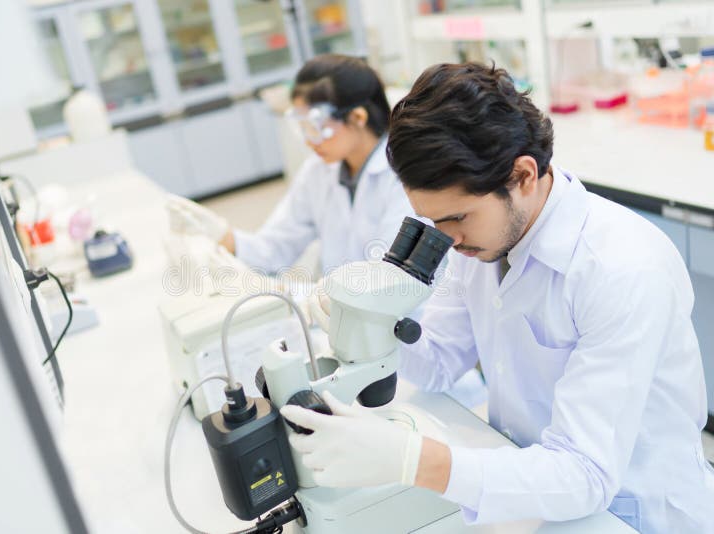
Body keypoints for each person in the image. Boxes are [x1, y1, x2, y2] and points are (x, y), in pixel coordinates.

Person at [282, 63, 714, 533]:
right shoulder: (484, 239)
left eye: (457, 218)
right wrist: (369, 327)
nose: (446, 240)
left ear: (524, 175)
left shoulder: (620, 269)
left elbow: (586, 474)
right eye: (432, 221)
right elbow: (441, 361)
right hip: (529, 486)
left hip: (630, 511)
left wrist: (413, 460)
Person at [167, 54, 415, 277]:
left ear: (357, 117)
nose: (309, 140)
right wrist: (224, 236)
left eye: (315, 127)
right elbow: (275, 248)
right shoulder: (318, 171)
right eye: (302, 127)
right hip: (338, 312)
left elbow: (388, 278)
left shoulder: (404, 174)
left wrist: (300, 294)